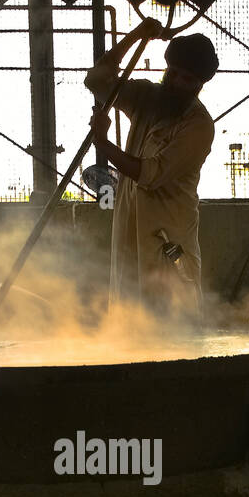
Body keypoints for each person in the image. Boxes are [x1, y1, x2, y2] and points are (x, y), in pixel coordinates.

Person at [86, 19, 218, 322]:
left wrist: (103, 144)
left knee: (171, 335)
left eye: (184, 78)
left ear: (198, 85)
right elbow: (97, 81)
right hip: (129, 240)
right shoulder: (148, 99)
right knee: (129, 331)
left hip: (167, 250)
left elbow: (150, 175)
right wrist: (135, 36)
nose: (173, 82)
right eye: (171, 72)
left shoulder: (197, 126)